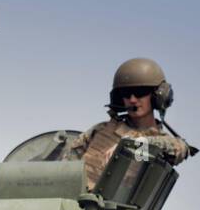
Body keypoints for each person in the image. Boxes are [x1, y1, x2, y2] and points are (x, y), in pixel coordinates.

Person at [67, 57, 193, 190]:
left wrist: (131, 145)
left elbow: (181, 149)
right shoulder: (101, 129)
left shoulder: (164, 143)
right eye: (126, 93)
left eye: (140, 92)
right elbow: (65, 165)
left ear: (158, 96)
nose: (132, 100)